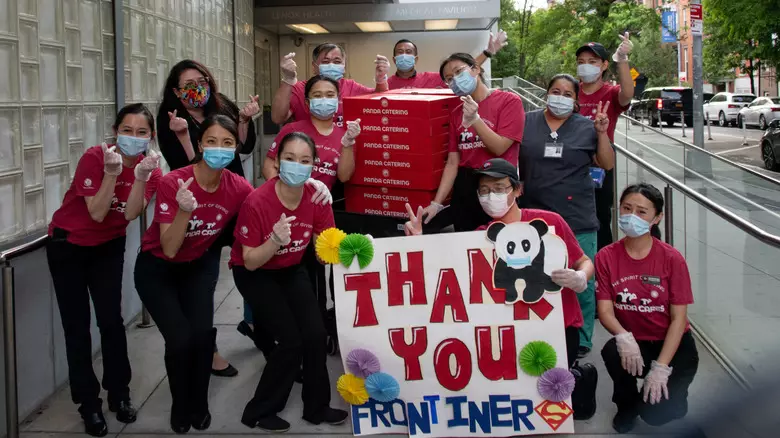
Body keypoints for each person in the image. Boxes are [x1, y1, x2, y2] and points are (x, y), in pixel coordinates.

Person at [404, 158, 593, 368]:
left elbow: (584, 262)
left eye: (499, 188)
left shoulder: (550, 222)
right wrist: (418, 242)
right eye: (483, 190)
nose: (490, 196)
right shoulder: (479, 237)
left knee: (558, 391)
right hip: (510, 333)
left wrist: (580, 277)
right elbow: (446, 274)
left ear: (518, 190)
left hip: (558, 327)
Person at [46, 104, 162, 437]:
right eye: (127, 130)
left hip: (107, 247)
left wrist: (140, 177)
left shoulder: (150, 168)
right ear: (115, 130)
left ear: (150, 137)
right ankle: (89, 405)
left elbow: (130, 214)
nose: (133, 138)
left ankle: (119, 394)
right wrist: (112, 173)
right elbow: (97, 212)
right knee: (77, 327)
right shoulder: (96, 158)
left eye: (141, 132)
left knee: (111, 321)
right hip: (68, 245)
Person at [134, 115, 254, 434]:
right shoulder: (175, 182)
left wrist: (310, 188)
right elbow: (170, 248)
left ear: (235, 148)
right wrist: (185, 210)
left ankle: (198, 403)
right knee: (180, 339)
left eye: (227, 143)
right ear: (200, 145)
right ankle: (180, 404)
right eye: (211, 141)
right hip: (158, 268)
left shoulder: (238, 187)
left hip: (197, 267)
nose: (219, 148)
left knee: (202, 337)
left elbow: (264, 206)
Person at [231, 132, 348, 433]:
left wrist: (339, 252)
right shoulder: (257, 201)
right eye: (290, 159)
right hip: (255, 272)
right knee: (290, 341)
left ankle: (317, 407)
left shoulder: (317, 198)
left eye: (305, 161)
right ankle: (259, 410)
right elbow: (250, 260)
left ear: (314, 166)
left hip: (290, 269)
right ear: (278, 161)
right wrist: (274, 241)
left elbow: (324, 251)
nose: (297, 166)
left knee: (315, 333)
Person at [238, 75, 358, 353]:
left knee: (311, 280)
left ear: (339, 101)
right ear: (306, 101)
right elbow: (270, 167)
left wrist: (350, 143)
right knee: (274, 275)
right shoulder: (292, 129)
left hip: (317, 217)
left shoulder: (344, 134)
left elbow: (344, 175)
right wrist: (282, 195)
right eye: (317, 94)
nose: (324, 100)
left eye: (330, 94)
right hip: (282, 215)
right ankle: (269, 331)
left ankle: (312, 333)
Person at [155, 59, 259, 376]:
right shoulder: (170, 119)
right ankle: (208, 349)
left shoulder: (220, 104)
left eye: (201, 80)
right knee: (204, 281)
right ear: (176, 91)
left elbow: (244, 146)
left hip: (233, 196)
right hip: (199, 209)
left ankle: (255, 321)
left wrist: (242, 120)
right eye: (188, 84)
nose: (197, 88)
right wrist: (186, 136)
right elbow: (187, 169)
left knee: (252, 260)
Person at [519, 73, 615, 358]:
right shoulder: (527, 121)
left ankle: (582, 339)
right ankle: (541, 331)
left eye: (568, 94)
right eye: (555, 91)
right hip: (536, 216)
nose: (560, 97)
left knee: (580, 279)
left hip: (577, 216)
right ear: (546, 93)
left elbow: (606, 164)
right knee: (538, 277)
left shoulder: (587, 127)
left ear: (576, 100)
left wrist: (601, 133)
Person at [596, 183, 698, 434]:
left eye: (642, 211)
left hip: (672, 346)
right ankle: (626, 406)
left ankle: (673, 397)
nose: (632, 216)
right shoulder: (606, 256)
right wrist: (622, 335)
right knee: (612, 351)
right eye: (627, 208)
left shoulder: (672, 259)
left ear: (657, 217)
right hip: (635, 341)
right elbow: (606, 311)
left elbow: (678, 319)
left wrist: (661, 367)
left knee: (655, 416)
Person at [421, 53, 525, 232]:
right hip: (466, 186)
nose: (455, 80)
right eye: (449, 79)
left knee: (500, 241)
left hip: (497, 183)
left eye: (458, 72)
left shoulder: (508, 101)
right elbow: (453, 163)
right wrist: (436, 203)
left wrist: (475, 119)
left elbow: (499, 147)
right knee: (466, 244)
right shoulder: (455, 113)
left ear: (476, 69)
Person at [575, 35, 634, 251]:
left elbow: (627, 93)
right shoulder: (571, 92)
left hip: (600, 163)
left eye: (592, 62)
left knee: (599, 218)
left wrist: (623, 59)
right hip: (571, 163)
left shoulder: (609, 92)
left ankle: (601, 269)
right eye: (581, 62)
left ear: (604, 65)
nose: (586, 67)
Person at [271, 43, 390, 125]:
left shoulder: (351, 87)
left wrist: (381, 79)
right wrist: (288, 79)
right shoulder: (301, 89)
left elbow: (381, 102)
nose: (331, 65)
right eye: (326, 61)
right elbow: (278, 118)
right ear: (314, 66)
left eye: (337, 61)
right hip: (308, 153)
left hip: (343, 151)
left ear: (344, 66)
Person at [387, 31, 507, 90]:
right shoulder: (386, 85)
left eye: (408, 52)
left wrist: (487, 53)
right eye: (400, 52)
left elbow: (465, 70)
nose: (404, 55)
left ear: (416, 58)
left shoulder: (431, 79)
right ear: (394, 59)